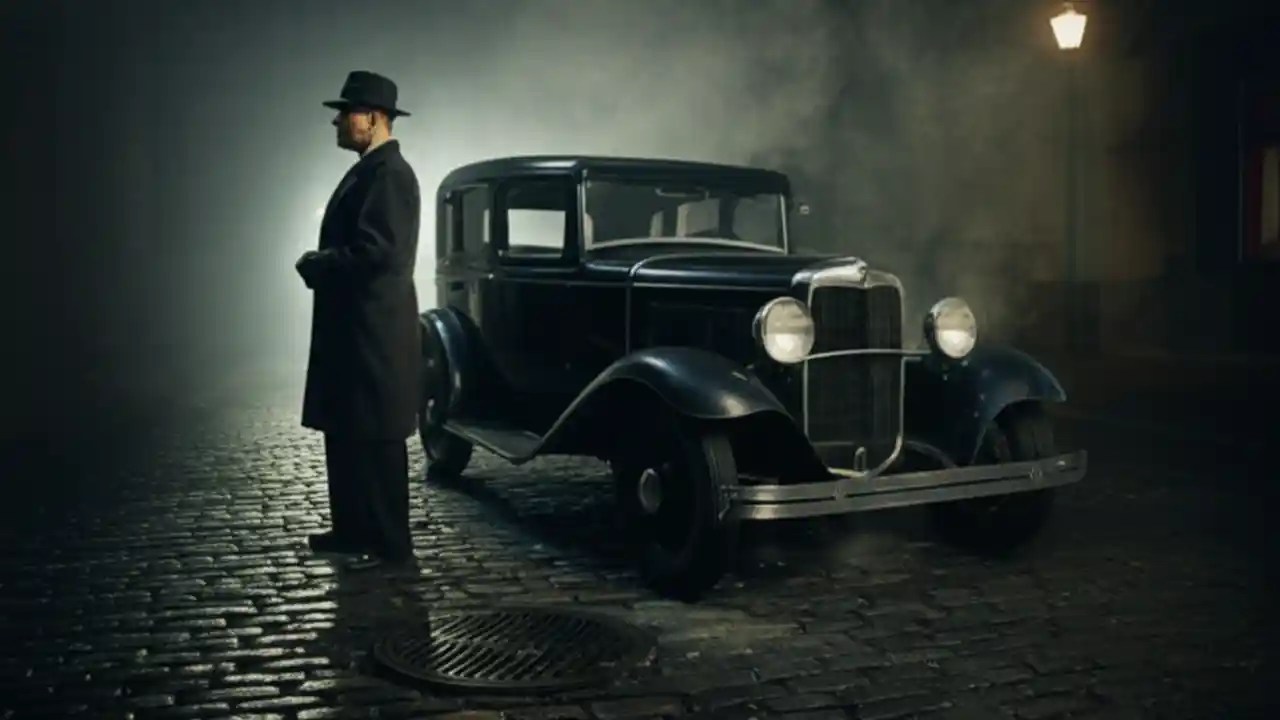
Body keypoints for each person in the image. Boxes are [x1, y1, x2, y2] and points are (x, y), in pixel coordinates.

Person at [295, 70, 421, 571]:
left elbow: (379, 252)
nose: (337, 122)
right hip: (358, 329)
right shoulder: (372, 169)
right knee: (349, 429)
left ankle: (392, 543)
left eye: (345, 113)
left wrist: (319, 264)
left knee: (378, 436)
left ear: (373, 118)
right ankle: (352, 529)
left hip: (375, 331)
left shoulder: (389, 173)